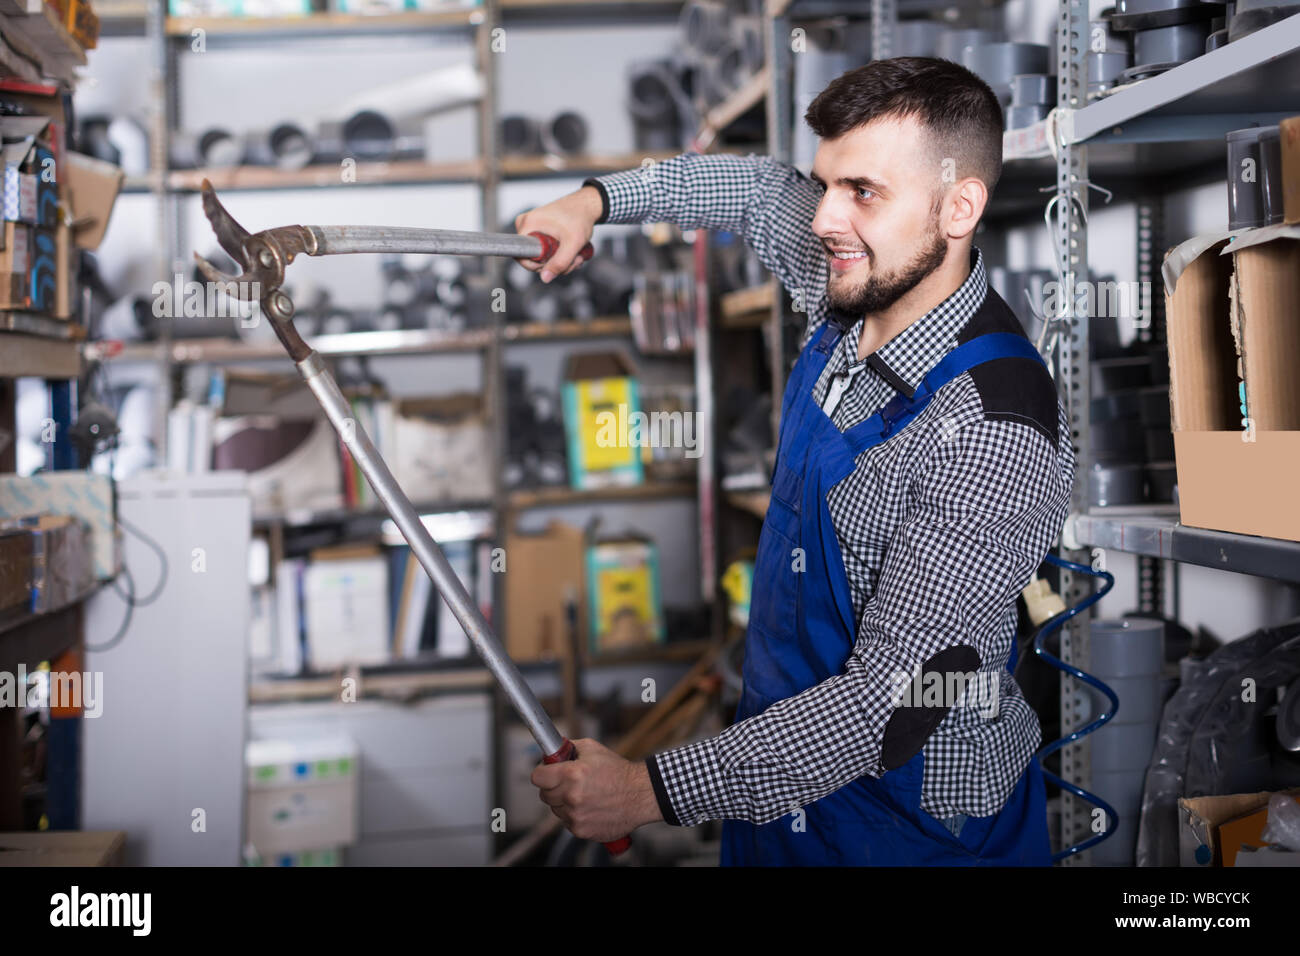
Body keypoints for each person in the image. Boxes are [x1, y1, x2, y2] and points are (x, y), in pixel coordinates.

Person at [521, 56, 1075, 866]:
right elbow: (747, 188)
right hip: (778, 786)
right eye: (826, 185)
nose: (822, 219)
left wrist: (648, 791)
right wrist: (593, 201)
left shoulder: (992, 429)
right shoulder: (849, 287)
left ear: (959, 207)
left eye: (863, 192)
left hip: (911, 831)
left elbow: (886, 707)